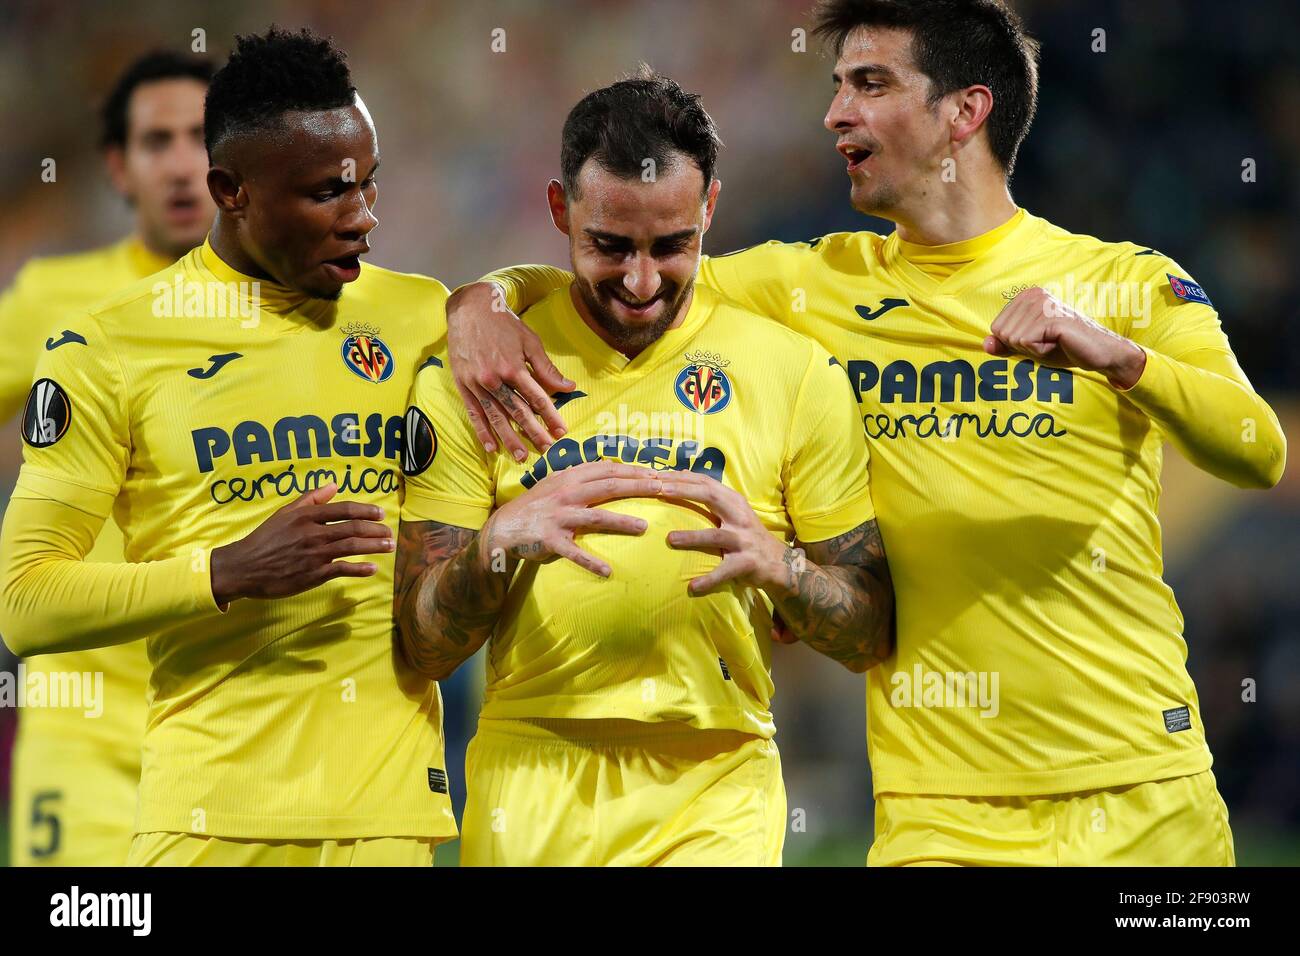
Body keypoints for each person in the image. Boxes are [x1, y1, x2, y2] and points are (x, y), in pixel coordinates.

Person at [443, 0, 1285, 865]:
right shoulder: (813, 284)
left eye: (871, 83)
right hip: (937, 808)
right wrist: (484, 300)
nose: (835, 112)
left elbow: (1257, 451)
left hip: (1146, 785)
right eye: (838, 85)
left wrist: (1118, 358)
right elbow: (623, 262)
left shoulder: (1125, 283)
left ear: (966, 111)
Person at [395, 71, 892, 866]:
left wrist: (787, 570)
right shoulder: (483, 372)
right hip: (530, 777)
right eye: (609, 246)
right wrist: (497, 546)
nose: (641, 282)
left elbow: (869, 631)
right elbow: (423, 649)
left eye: (672, 246)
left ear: (710, 211)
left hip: (717, 786)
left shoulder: (793, 372)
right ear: (560, 212)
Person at [0, 27, 457, 867]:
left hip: (390, 823)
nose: (363, 219)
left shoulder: (424, 316)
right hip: (208, 821)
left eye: (368, 186)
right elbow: (25, 604)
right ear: (230, 190)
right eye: (327, 194)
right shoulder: (111, 347)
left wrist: (494, 299)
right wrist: (225, 572)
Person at [0, 49, 214, 866]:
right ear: (119, 169)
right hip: (82, 731)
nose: (183, 165)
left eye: (202, 137)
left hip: (228, 732)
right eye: (157, 142)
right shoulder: (53, 298)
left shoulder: (308, 308)